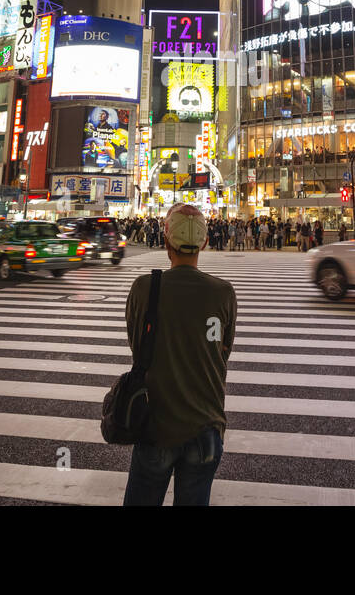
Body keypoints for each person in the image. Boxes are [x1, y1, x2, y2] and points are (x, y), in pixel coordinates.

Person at [123, 203, 237, 506]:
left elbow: (137, 346)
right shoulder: (223, 292)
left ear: (166, 242)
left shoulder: (145, 288)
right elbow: (222, 353)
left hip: (156, 424)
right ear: (205, 242)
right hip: (206, 426)